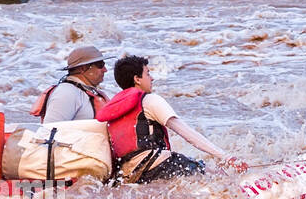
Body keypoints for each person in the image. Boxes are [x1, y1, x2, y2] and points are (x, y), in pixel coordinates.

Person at [97, 55, 250, 184]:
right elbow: (188, 134)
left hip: (128, 174)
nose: (152, 78)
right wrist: (227, 157)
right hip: (158, 165)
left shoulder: (113, 110)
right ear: (137, 79)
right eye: (148, 74)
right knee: (216, 174)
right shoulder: (149, 100)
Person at [33, 45, 109, 123]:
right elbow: (49, 129)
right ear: (83, 68)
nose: (105, 70)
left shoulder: (86, 91)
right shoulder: (66, 93)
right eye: (100, 65)